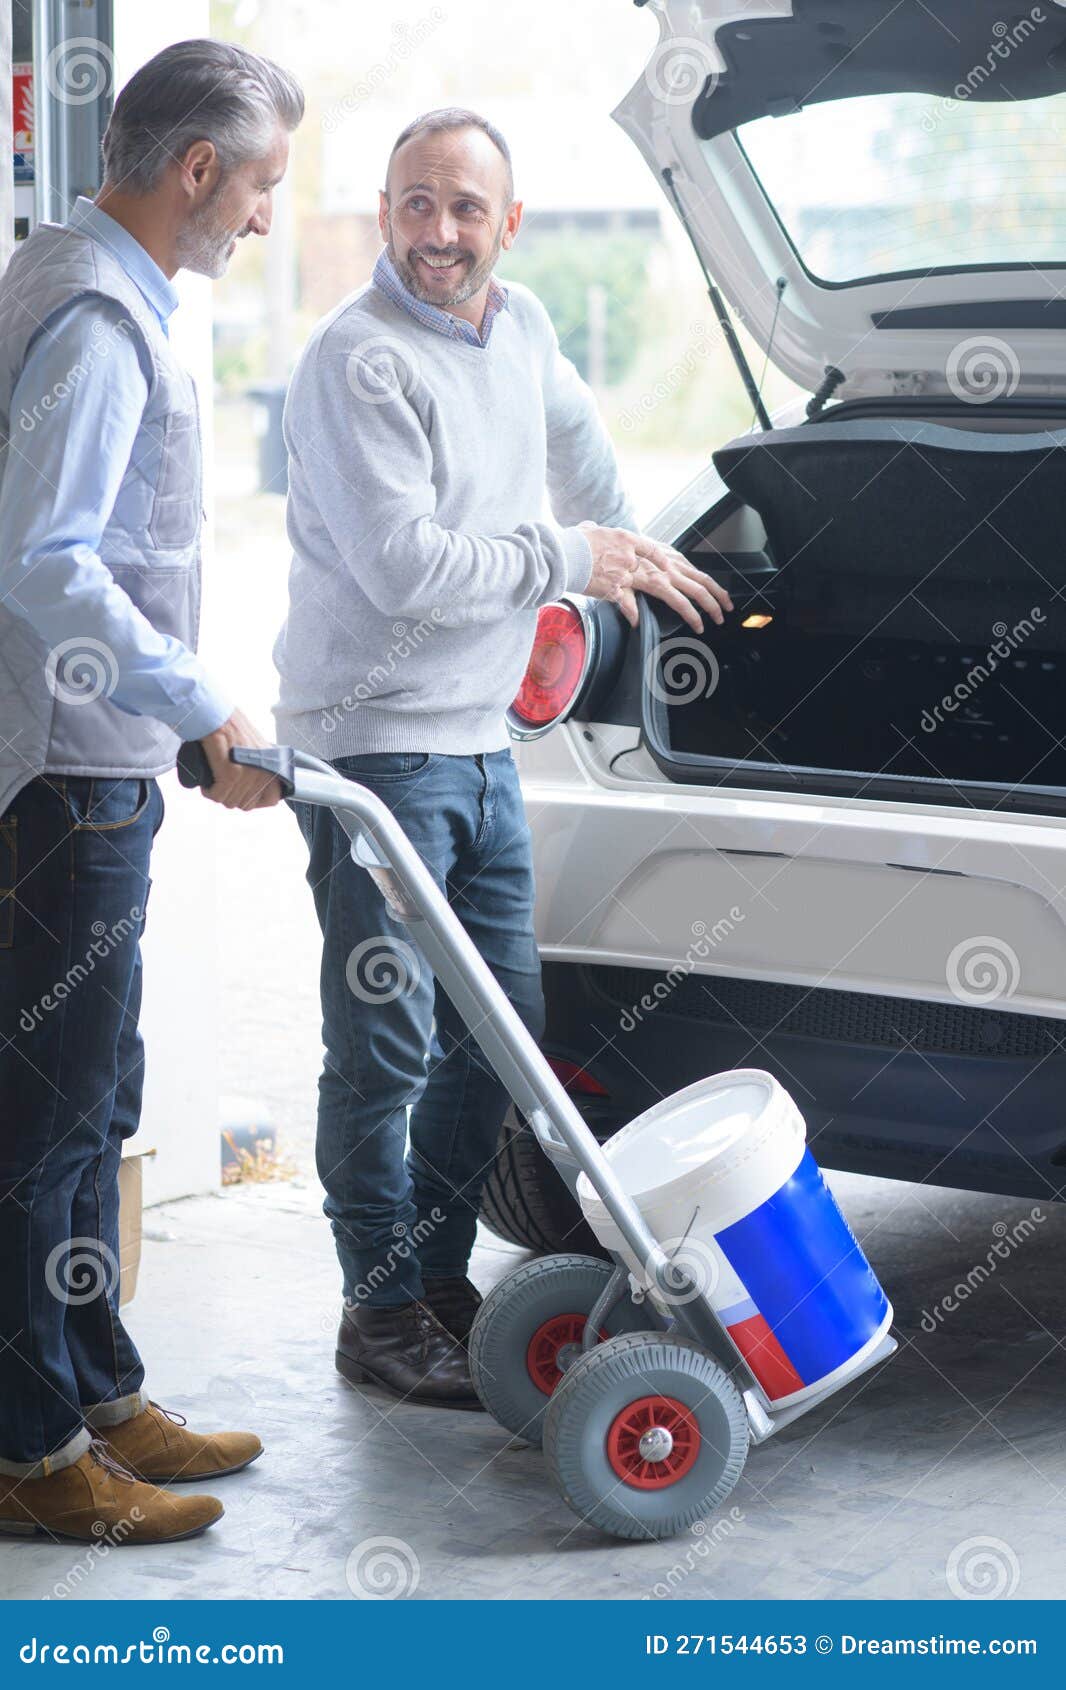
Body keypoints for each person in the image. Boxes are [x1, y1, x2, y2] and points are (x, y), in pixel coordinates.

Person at [273, 107, 733, 1409]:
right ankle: (376, 1309)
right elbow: (406, 569)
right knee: (385, 1044)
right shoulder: (354, 361)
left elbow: (582, 459)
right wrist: (569, 560)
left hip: (480, 749)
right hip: (373, 751)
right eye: (415, 203)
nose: (439, 231)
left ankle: (434, 1280)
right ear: (384, 212)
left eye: (464, 207)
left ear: (507, 223)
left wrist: (634, 565)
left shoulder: (521, 327)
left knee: (499, 1038)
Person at [0, 39, 303, 1546]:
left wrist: (176, 732)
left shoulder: (74, 279)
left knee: (94, 1095)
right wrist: (206, 706)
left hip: (98, 762)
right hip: (63, 783)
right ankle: (31, 1452)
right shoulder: (102, 322)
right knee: (43, 1125)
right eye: (259, 187)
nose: (259, 218)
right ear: (197, 170)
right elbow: (52, 562)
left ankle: (98, 1387)